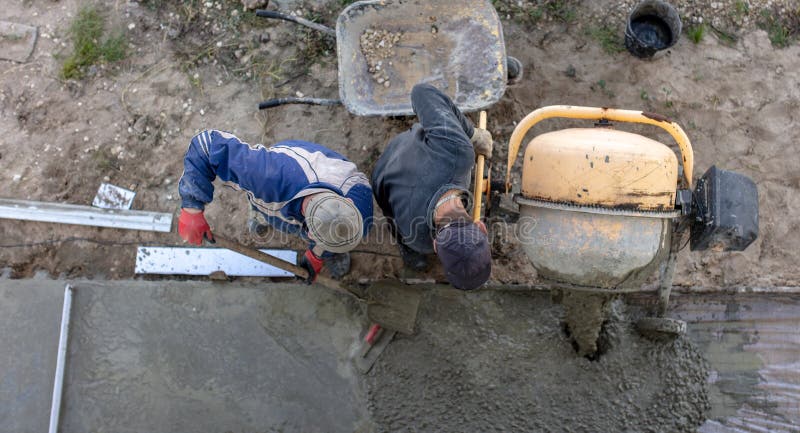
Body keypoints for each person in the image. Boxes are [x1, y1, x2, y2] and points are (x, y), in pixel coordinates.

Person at [177, 129, 373, 281]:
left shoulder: (359, 211)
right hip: (285, 173)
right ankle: (260, 214)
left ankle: (331, 251)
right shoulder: (266, 175)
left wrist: (318, 254)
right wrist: (192, 208)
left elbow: (332, 228)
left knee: (334, 234)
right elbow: (205, 144)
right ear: (311, 234)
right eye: (317, 238)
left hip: (326, 173)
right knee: (264, 205)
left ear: (348, 203)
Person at [371, 83, 493, 290]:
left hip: (394, 160)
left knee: (397, 220)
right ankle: (405, 248)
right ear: (435, 246)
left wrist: (471, 136)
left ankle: (405, 245)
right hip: (383, 176)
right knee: (395, 222)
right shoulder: (419, 238)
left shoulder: (458, 152)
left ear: (481, 227)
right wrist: (471, 134)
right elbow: (420, 91)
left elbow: (421, 92)